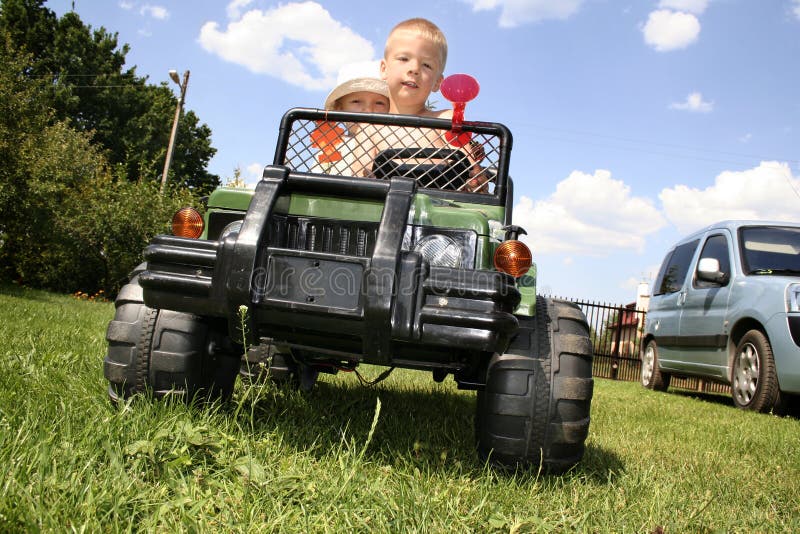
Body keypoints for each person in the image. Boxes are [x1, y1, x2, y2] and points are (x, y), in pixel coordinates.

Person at [310, 77, 389, 174]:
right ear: (339, 109)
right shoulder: (333, 145)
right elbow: (317, 175)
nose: (368, 109)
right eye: (356, 101)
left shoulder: (391, 142)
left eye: (379, 103)